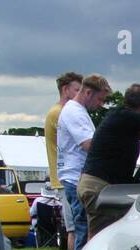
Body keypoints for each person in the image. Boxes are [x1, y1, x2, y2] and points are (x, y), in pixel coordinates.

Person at [78, 84, 140, 238]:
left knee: (103, 234)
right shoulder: (129, 117)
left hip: (95, 183)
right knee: (99, 237)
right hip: (100, 186)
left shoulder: (120, 117)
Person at [57, 73, 111, 250]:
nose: (100, 104)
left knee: (83, 227)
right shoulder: (74, 112)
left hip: (75, 177)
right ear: (88, 92)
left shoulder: (77, 111)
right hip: (76, 178)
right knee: (83, 228)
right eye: (100, 99)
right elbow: (89, 144)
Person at [43, 71, 81, 214]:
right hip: (67, 179)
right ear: (65, 90)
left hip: (65, 179)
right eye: (77, 90)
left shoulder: (58, 111)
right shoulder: (60, 113)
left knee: (74, 227)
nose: (80, 94)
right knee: (75, 227)